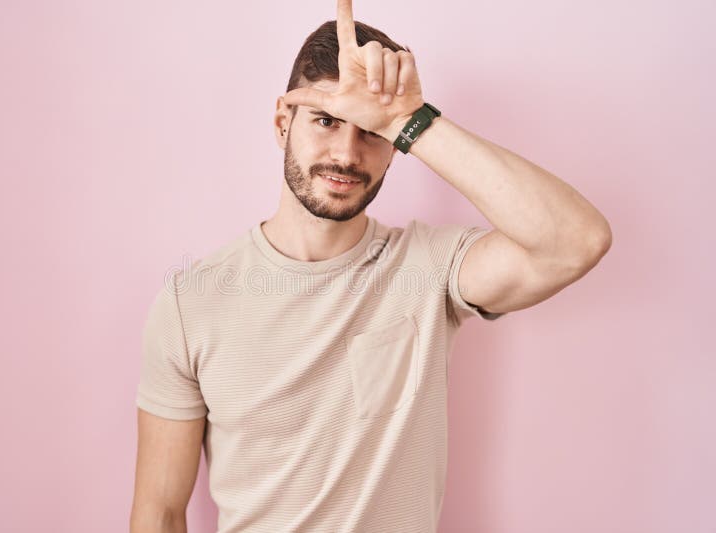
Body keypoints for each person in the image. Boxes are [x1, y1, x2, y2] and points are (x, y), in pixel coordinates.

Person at [129, 1, 612, 532]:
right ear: (281, 122)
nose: (346, 152)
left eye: (370, 132)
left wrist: (409, 120)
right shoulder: (191, 303)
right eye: (326, 120)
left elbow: (575, 241)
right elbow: (161, 511)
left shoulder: (429, 270)